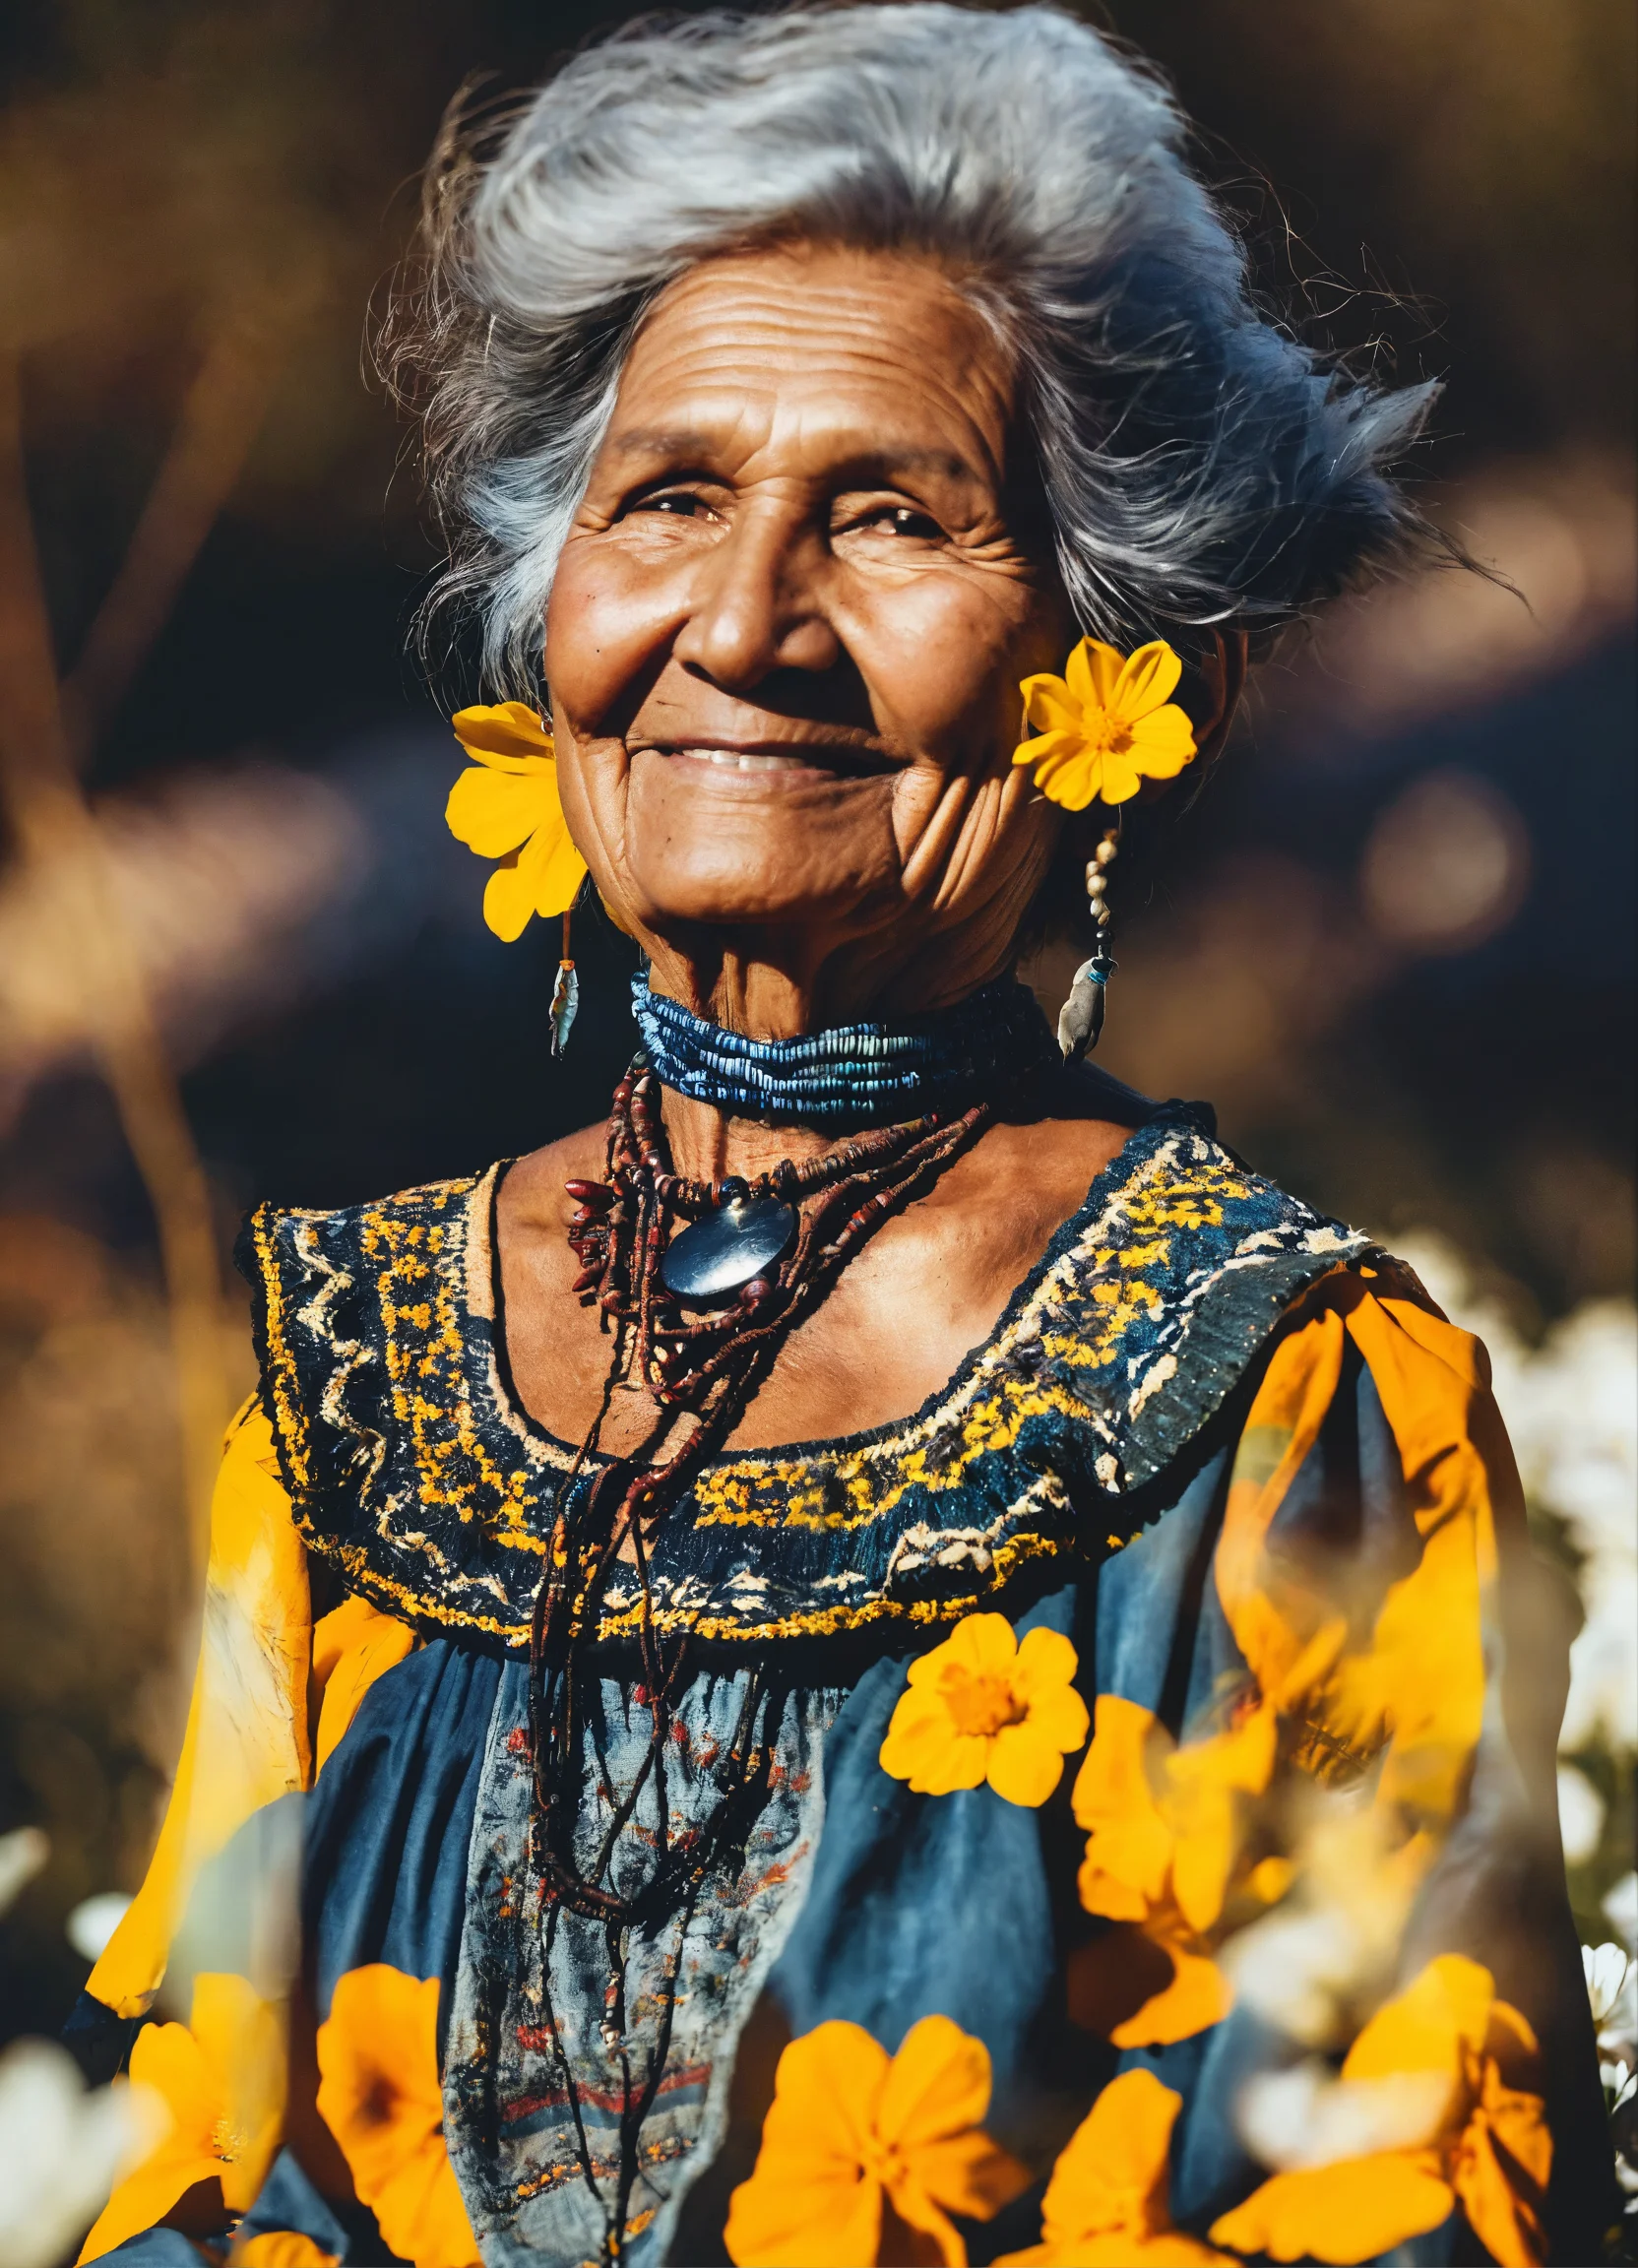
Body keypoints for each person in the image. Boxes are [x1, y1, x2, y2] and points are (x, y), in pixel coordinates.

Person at [69, 8, 1607, 2263]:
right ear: (552, 604)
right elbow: (207, 2171)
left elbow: (1409, 2190)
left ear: (1100, 657)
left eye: (891, 513)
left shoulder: (1284, 1410)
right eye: (669, 495)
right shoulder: (341, 1387)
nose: (744, 622)